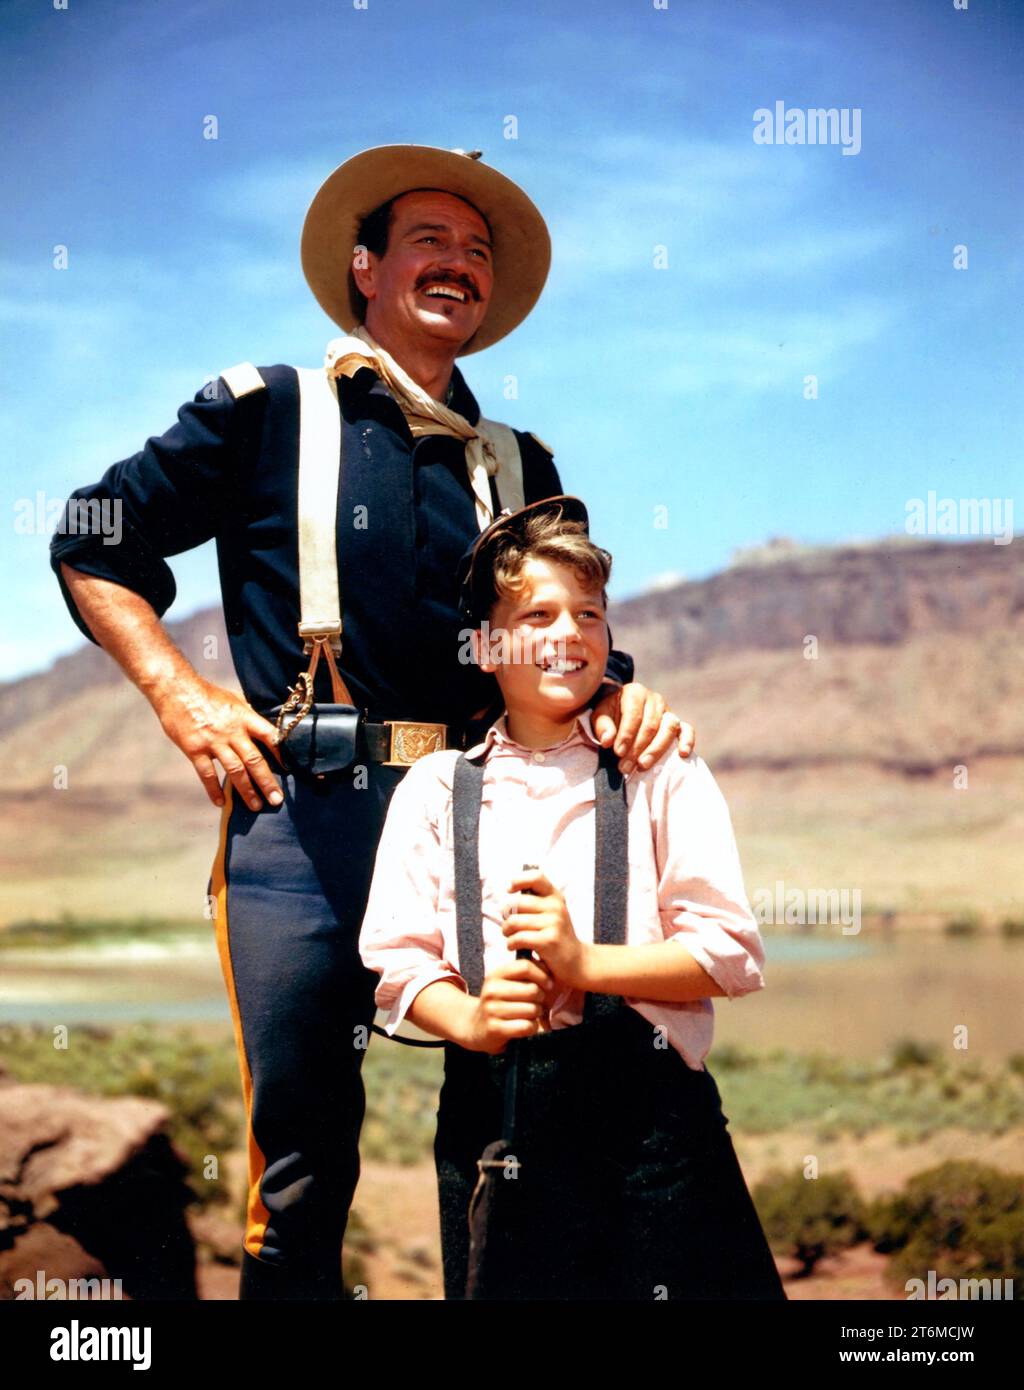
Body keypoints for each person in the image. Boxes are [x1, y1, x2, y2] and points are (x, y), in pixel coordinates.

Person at [48, 145, 696, 1301]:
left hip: (482, 828)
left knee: (520, 1125)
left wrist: (617, 693)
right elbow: (93, 536)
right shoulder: (262, 410)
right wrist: (181, 697)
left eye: (477, 252)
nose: (457, 264)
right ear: (367, 270)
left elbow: (556, 636)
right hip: (300, 827)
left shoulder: (520, 465)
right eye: (429, 242)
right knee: (301, 1164)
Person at [359, 496, 786, 1300]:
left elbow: (728, 952)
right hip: (493, 1122)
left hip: (652, 1128)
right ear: (486, 647)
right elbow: (397, 960)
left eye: (588, 614)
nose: (568, 634)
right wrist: (475, 1022)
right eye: (539, 615)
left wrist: (583, 963)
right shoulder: (435, 787)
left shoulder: (660, 767)